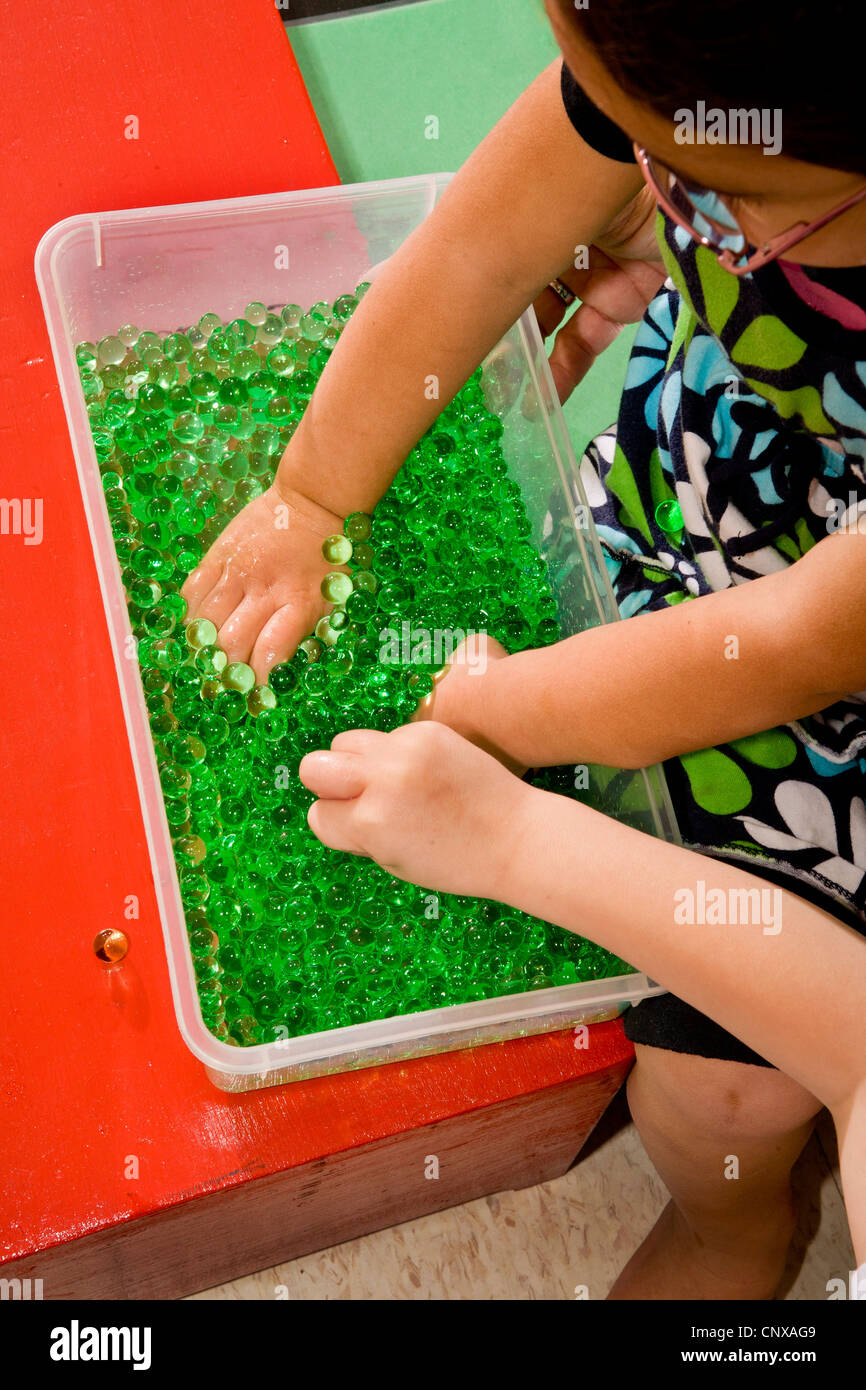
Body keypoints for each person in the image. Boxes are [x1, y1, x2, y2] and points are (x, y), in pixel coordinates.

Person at [183, 1, 866, 1298]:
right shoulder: (678, 54)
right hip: (728, 481)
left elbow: (783, 644)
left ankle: (735, 1221)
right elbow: (478, 250)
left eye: (701, 176)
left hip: (822, 650)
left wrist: (505, 711)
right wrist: (311, 494)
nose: (650, 181)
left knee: (724, 1087)